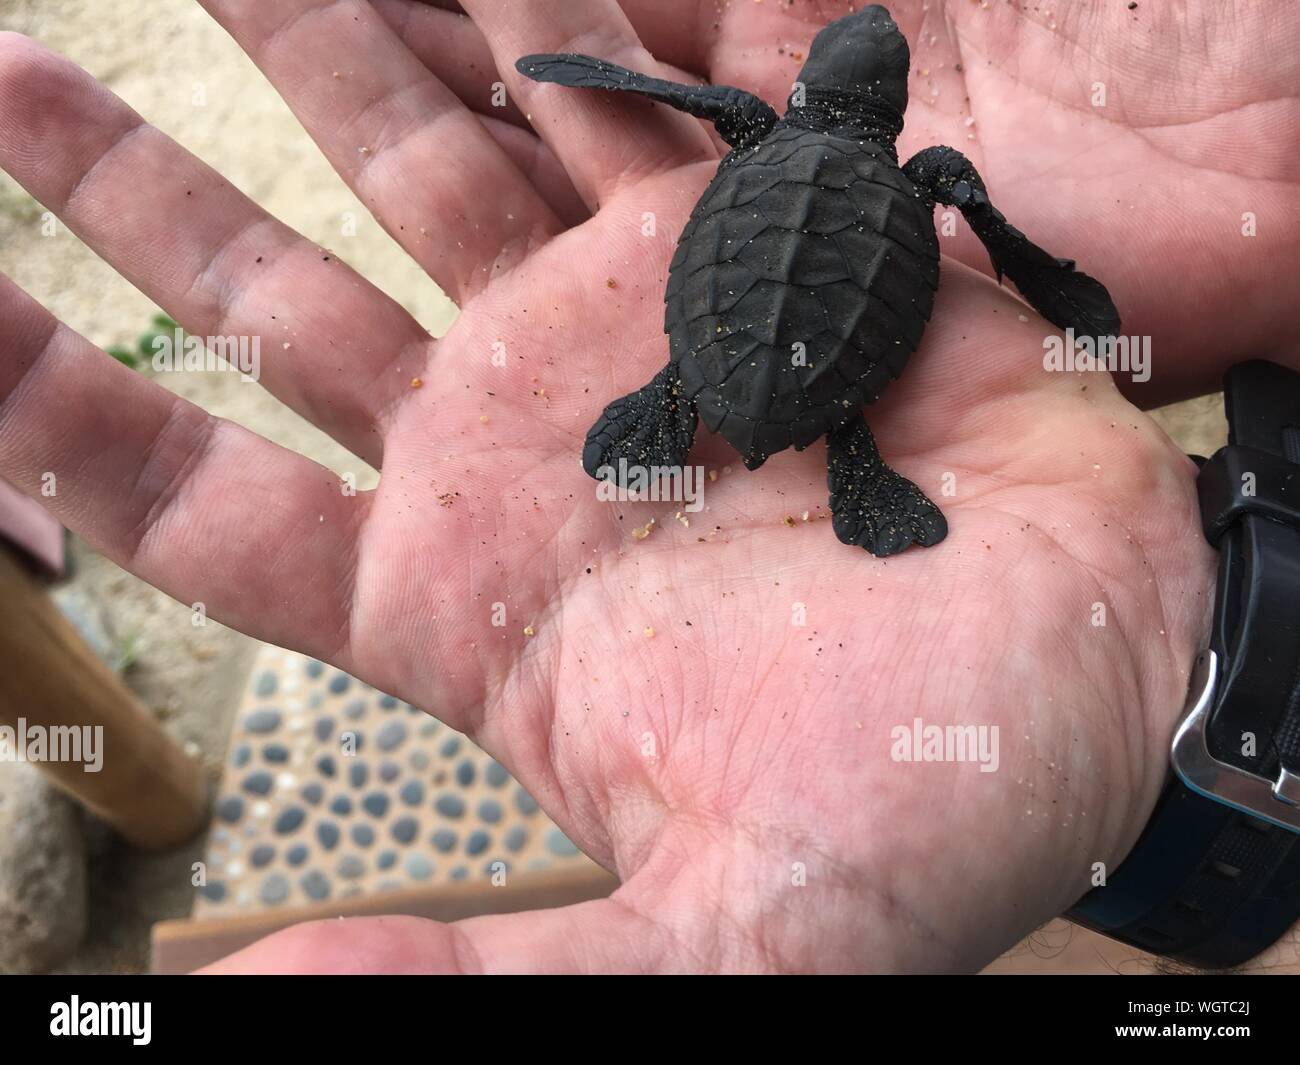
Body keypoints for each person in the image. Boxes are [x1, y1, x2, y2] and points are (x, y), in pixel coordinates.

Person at [0, 0, 1295, 973]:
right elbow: (997, 235)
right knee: (831, 405)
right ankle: (847, 465)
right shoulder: (929, 179)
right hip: (840, 354)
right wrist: (1066, 302)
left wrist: (576, 76)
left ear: (811, 92)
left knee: (702, 373)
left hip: (711, 336)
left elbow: (624, 85)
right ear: (891, 111)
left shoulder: (747, 123)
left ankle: (694, 406)